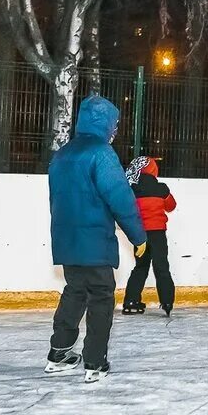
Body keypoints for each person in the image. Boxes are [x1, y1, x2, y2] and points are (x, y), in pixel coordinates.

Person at [45, 95, 147, 383]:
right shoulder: (101, 153)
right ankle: (94, 362)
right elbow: (120, 197)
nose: (115, 130)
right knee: (101, 297)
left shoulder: (62, 154)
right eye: (114, 124)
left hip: (67, 239)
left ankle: (59, 352)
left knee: (75, 291)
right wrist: (138, 236)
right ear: (105, 123)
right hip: (94, 241)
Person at [121, 156, 178, 316]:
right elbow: (171, 206)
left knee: (140, 267)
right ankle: (167, 302)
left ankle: (131, 302)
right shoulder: (161, 189)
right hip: (158, 233)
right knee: (162, 267)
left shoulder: (132, 190)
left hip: (139, 234)